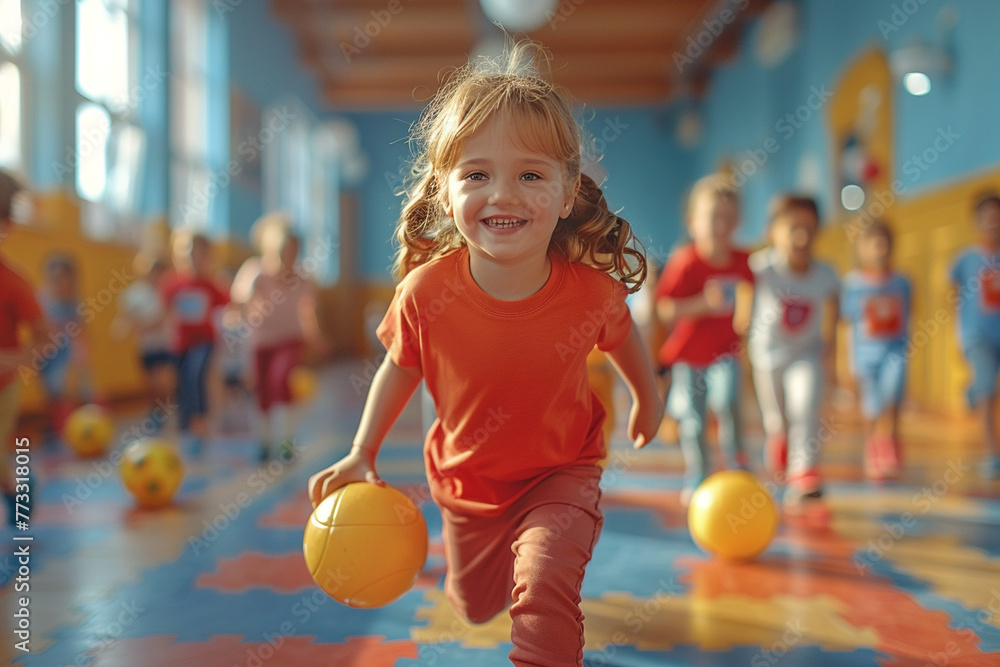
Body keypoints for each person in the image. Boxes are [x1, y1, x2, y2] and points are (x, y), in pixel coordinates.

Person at [307, 41, 662, 666]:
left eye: (530, 175)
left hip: (563, 469)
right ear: (445, 193)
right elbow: (399, 368)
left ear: (567, 191)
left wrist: (648, 396)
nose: (504, 195)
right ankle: (482, 575)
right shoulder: (426, 294)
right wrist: (362, 451)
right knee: (475, 606)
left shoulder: (590, 293)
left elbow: (623, 336)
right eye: (477, 175)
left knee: (545, 585)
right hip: (468, 480)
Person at [655, 175, 754, 504]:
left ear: (738, 221)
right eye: (713, 217)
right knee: (695, 420)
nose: (720, 226)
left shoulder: (743, 260)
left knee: (728, 401)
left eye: (728, 218)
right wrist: (701, 305)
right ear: (693, 222)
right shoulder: (686, 261)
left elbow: (753, 293)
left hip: (726, 351)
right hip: (690, 355)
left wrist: (750, 317)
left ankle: (737, 459)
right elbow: (665, 309)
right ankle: (699, 471)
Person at [748, 194, 840, 506]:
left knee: (806, 407)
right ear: (772, 231)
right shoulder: (762, 268)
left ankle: (805, 471)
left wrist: (832, 352)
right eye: (793, 229)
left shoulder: (825, 274)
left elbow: (835, 309)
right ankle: (779, 441)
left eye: (809, 230)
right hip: (767, 356)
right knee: (777, 419)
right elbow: (741, 297)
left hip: (806, 354)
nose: (801, 237)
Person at [230, 213, 325, 461]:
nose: (289, 255)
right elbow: (240, 303)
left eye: (294, 250)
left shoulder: (304, 279)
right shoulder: (256, 272)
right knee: (261, 391)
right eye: (284, 249)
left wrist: (315, 339)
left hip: (289, 339)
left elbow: (307, 312)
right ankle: (263, 441)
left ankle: (286, 441)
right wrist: (240, 327)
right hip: (260, 341)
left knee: (281, 382)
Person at [841, 221, 911, 479]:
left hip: (894, 352)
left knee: (892, 397)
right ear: (861, 248)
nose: (879, 249)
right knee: (871, 406)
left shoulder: (901, 283)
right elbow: (846, 324)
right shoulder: (853, 284)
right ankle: (872, 447)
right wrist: (845, 360)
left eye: (884, 243)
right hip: (865, 356)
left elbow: (909, 315)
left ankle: (890, 443)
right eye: (873, 243)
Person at [0, 170, 48, 525]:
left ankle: (19, 489)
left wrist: (12, 359)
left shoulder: (14, 283)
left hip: (3, 386)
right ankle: (12, 484)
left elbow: (44, 337)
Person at [161, 230, 229, 455]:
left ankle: (199, 421)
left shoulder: (211, 285)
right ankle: (185, 425)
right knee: (182, 382)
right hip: (180, 343)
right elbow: (164, 310)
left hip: (205, 341)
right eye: (190, 253)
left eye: (200, 254)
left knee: (196, 375)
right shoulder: (173, 284)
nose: (194, 258)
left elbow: (228, 305)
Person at [949, 192, 1000, 479]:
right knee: (988, 390)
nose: (993, 223)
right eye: (987, 218)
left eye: (997, 217)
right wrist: (959, 335)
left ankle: (973, 390)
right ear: (977, 222)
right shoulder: (965, 260)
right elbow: (955, 298)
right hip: (977, 336)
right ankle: (991, 453)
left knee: (986, 387)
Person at [112, 253, 175, 433]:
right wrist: (126, 327)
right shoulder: (134, 294)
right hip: (146, 348)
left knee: (162, 383)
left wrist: (143, 325)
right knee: (151, 386)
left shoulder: (167, 292)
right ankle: (156, 412)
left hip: (165, 346)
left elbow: (162, 319)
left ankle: (161, 414)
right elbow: (127, 319)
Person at [38, 253, 94, 436]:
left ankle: (77, 426)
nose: (59, 283)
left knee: (77, 389)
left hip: (68, 352)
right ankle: (58, 427)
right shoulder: (42, 301)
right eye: (54, 278)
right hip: (48, 355)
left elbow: (80, 332)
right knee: (54, 391)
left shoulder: (73, 305)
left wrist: (82, 355)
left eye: (63, 278)